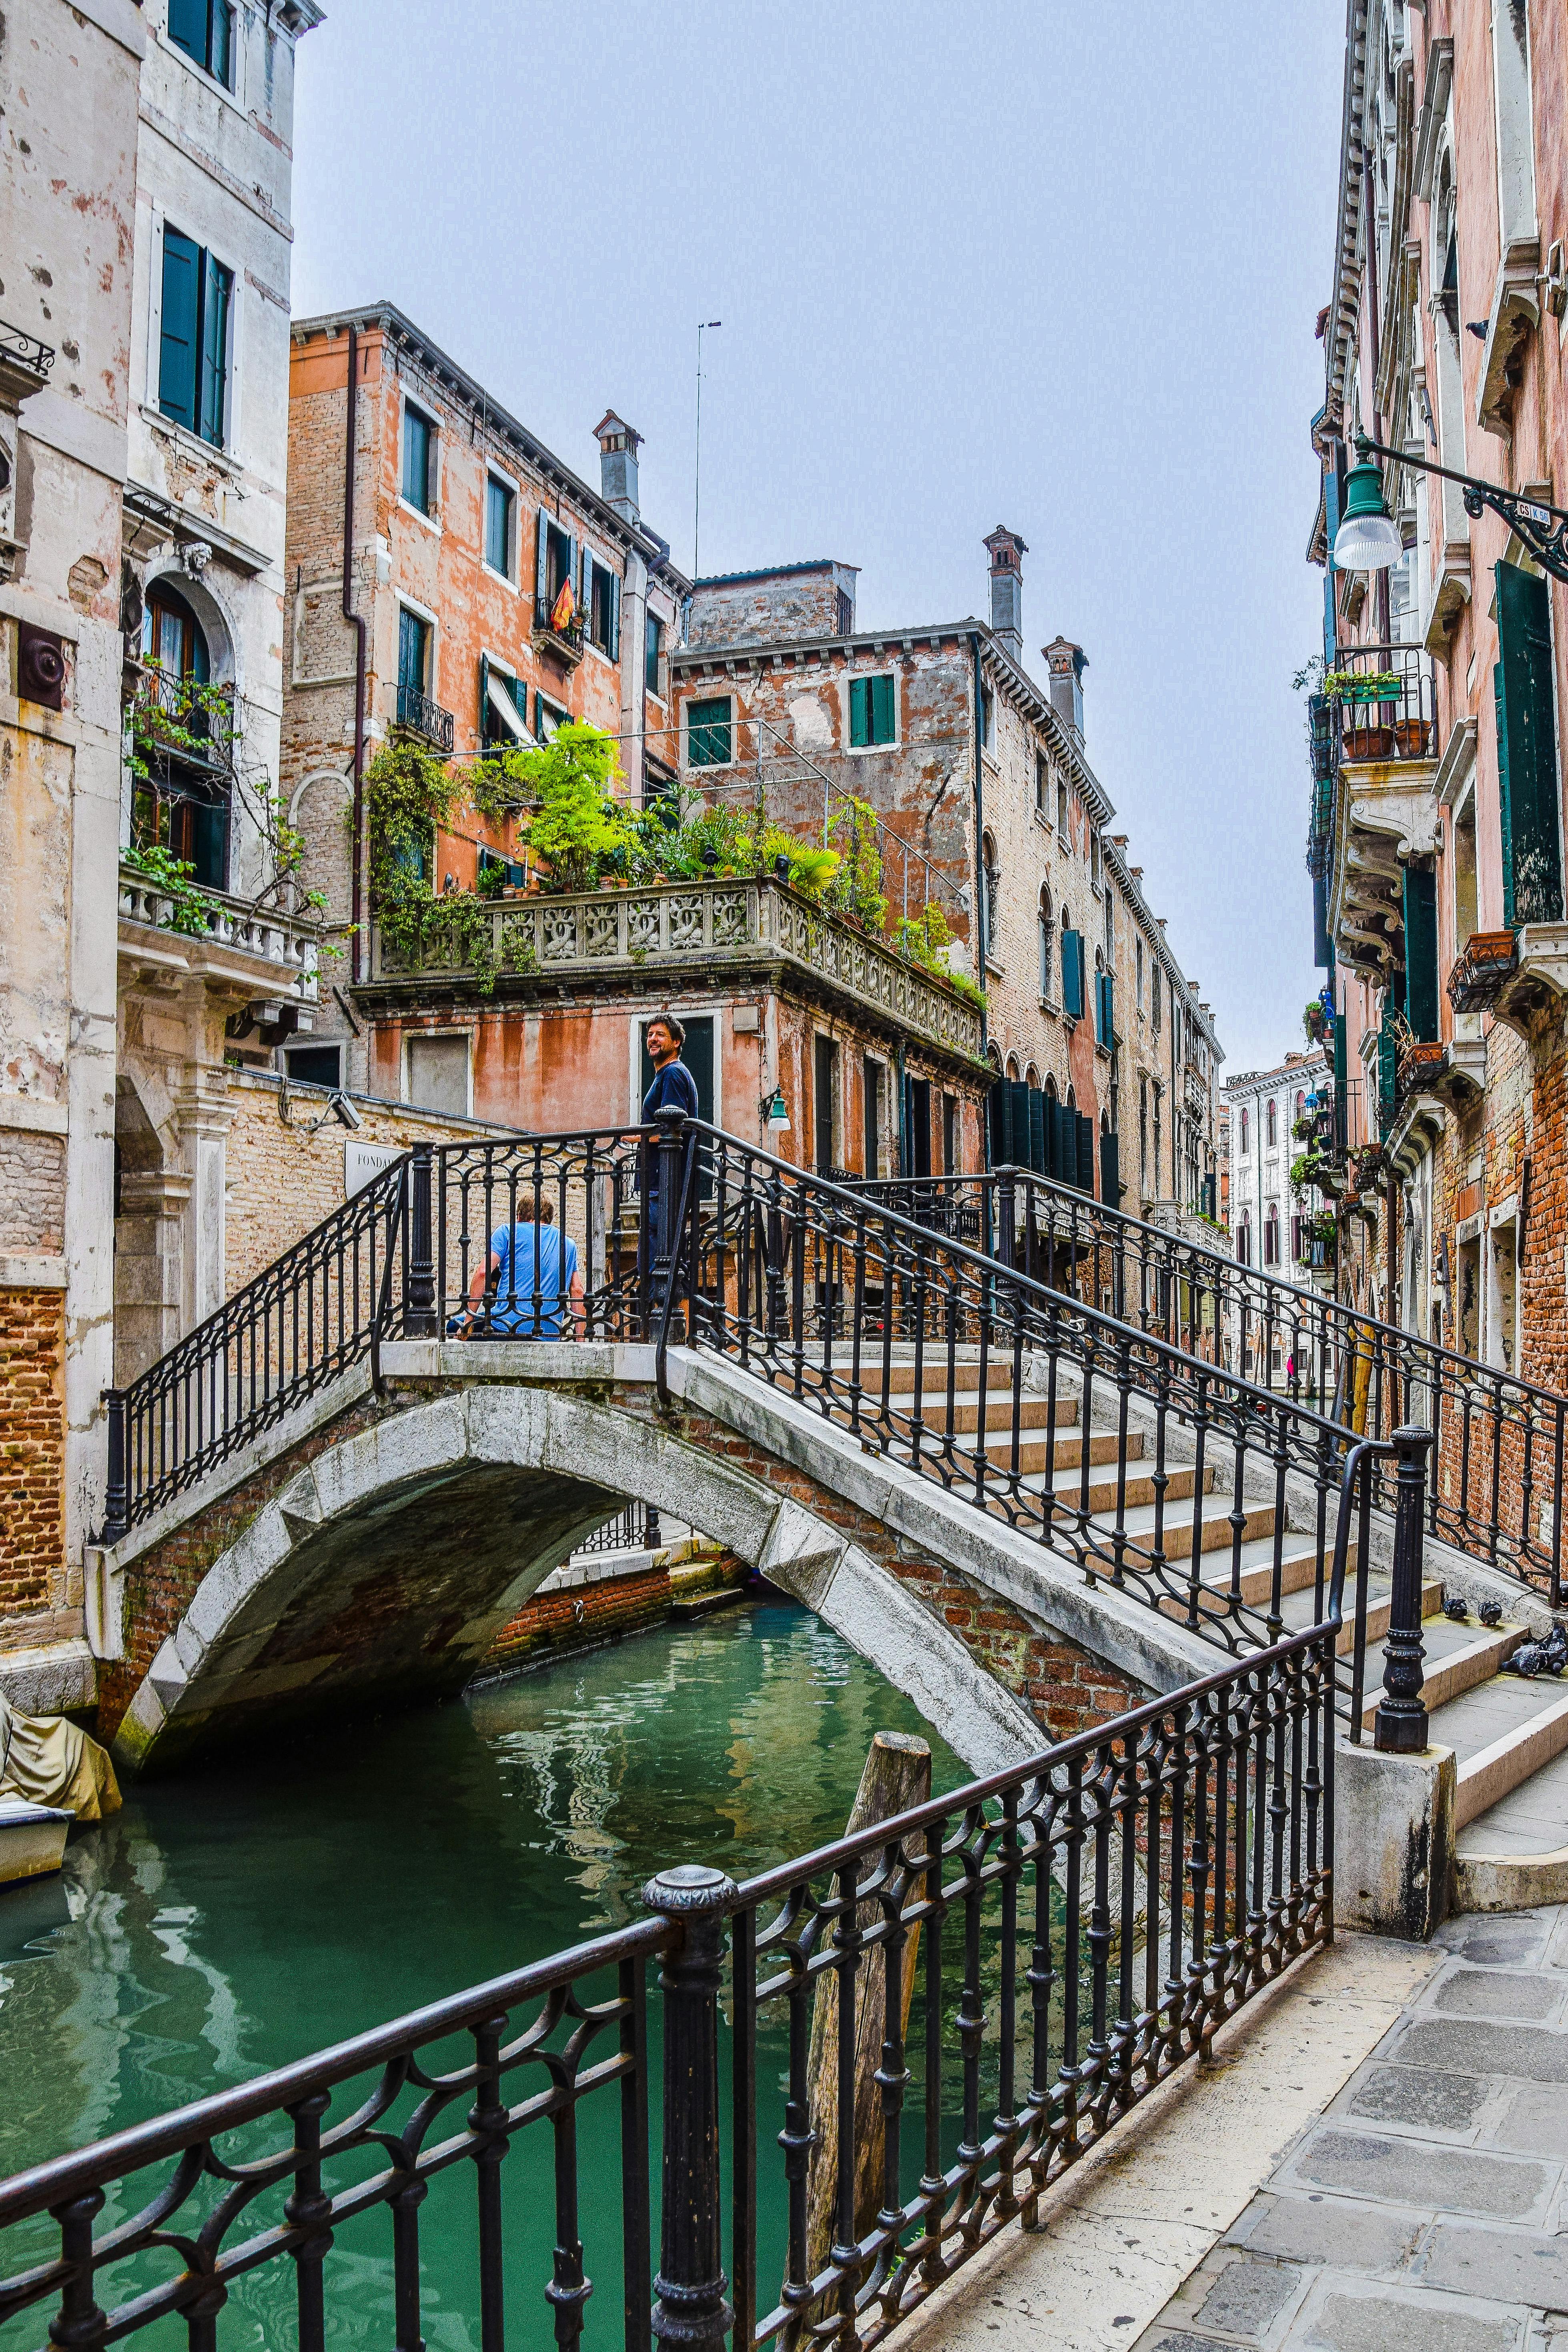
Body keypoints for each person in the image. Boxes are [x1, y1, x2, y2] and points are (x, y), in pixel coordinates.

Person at [461, 1195, 583, 1337]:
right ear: (550, 1217)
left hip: (507, 1326)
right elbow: (577, 1290)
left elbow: (483, 1273)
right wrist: (581, 1338)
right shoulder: (568, 1244)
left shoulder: (508, 1232)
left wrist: (467, 1323)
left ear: (519, 1216)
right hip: (550, 1331)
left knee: (454, 1324)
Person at [642, 1012, 700, 1125]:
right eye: (650, 1034)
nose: (653, 1039)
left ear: (676, 1042)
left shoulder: (673, 1073)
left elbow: (672, 1131)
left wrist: (637, 1136)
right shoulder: (668, 1072)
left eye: (660, 1035)